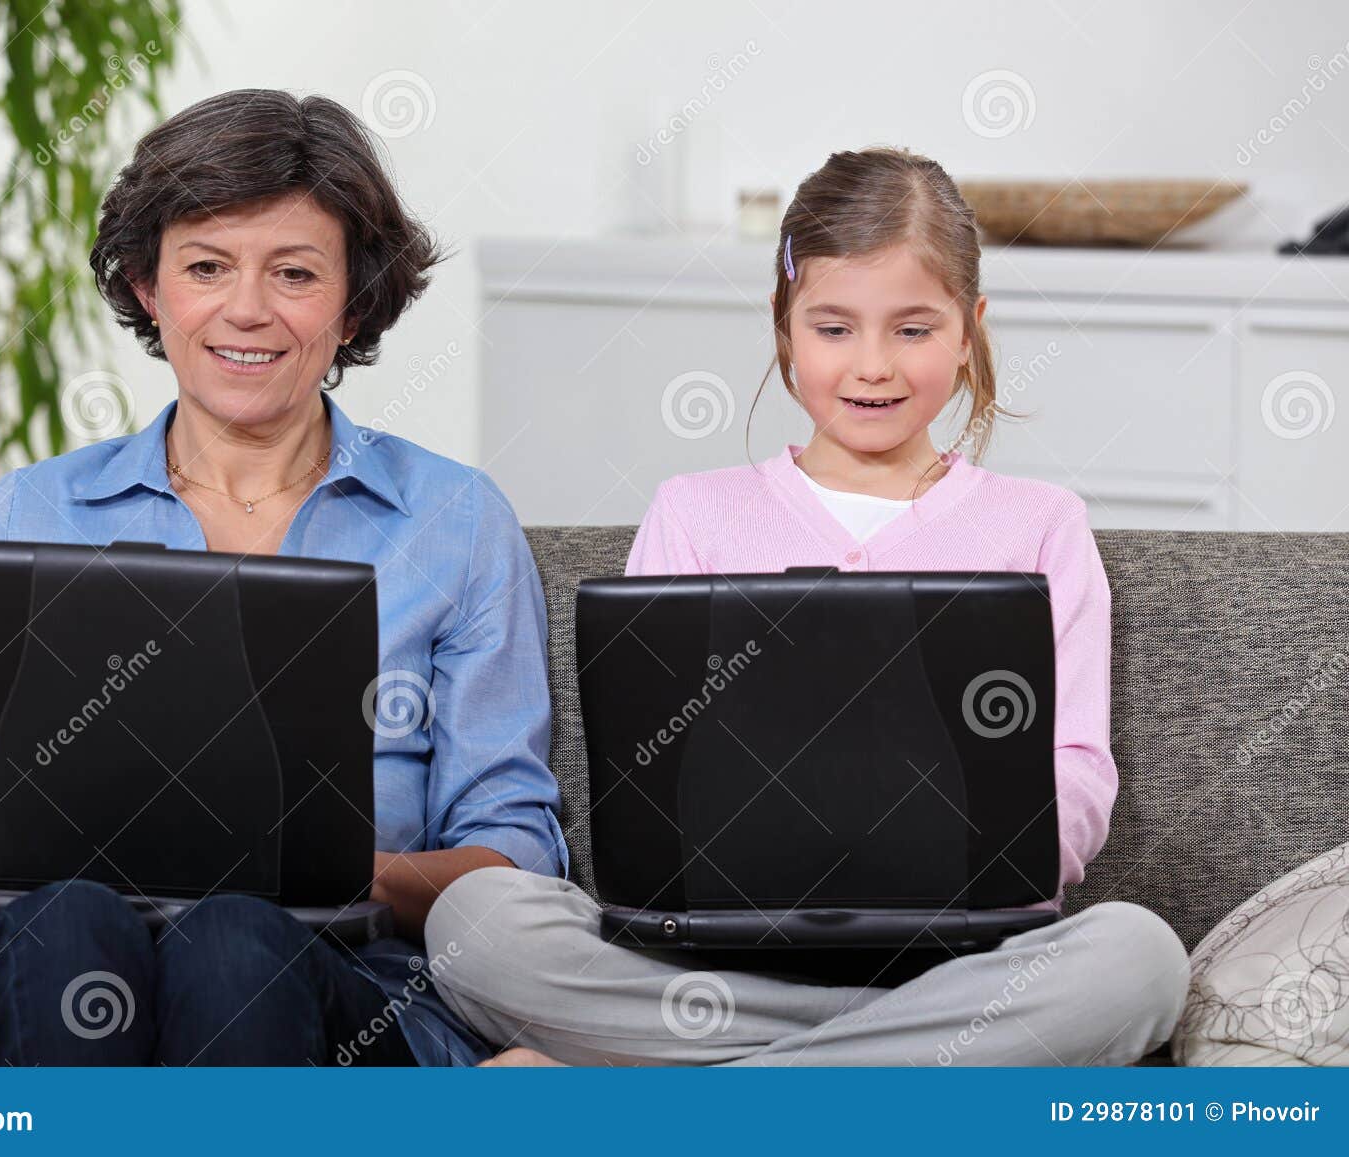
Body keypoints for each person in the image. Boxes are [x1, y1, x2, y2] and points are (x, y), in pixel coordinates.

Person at [0, 88, 567, 1067]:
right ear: (148, 286)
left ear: (352, 303)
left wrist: (346, 874)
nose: (247, 309)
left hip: (333, 997)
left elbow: (514, 862)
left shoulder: (455, 522)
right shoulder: (31, 515)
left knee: (236, 938)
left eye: (294, 272)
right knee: (74, 925)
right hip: (26, 987)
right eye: (206, 267)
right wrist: (19, 884)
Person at [426, 146, 1190, 1067]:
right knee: (477, 917)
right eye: (834, 328)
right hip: (717, 969)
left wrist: (981, 845)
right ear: (784, 330)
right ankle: (858, 1077)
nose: (873, 365)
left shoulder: (1040, 525)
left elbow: (1075, 769)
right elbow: (640, 774)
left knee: (1140, 958)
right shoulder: (694, 512)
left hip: (957, 968)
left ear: (970, 330)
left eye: (913, 329)